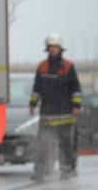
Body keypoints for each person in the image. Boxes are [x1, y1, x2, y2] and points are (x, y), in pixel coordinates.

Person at [29, 34, 82, 181]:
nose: (53, 50)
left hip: (65, 114)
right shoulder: (42, 67)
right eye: (51, 48)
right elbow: (36, 88)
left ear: (60, 49)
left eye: (55, 48)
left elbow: (75, 88)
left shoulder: (69, 67)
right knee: (42, 144)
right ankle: (40, 171)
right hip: (47, 114)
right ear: (47, 49)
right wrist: (32, 103)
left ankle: (68, 169)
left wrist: (76, 105)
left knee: (66, 144)